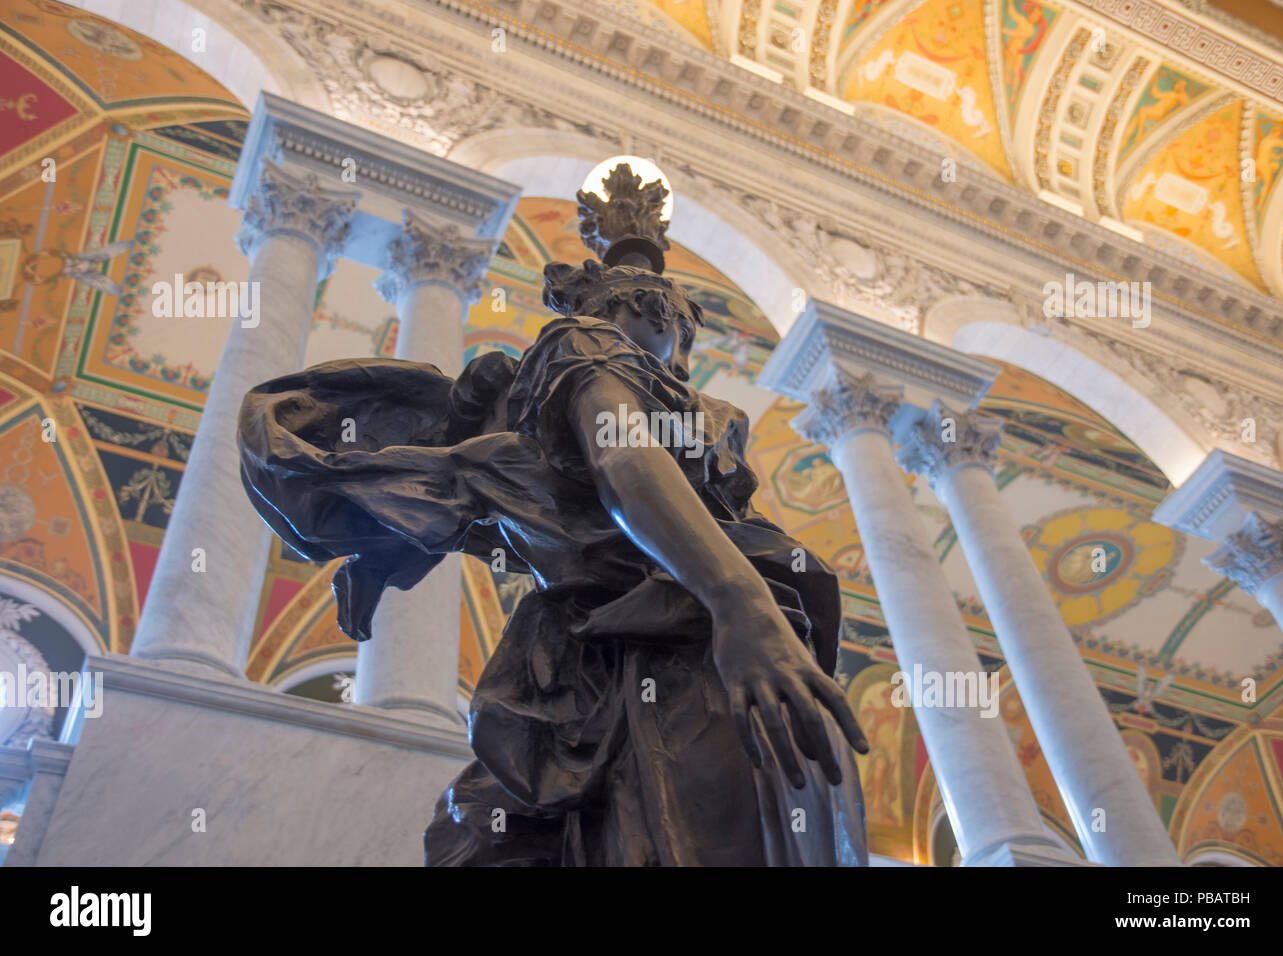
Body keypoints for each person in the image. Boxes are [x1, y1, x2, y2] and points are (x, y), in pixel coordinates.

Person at [238, 258, 870, 865]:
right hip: (678, 644)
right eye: (678, 335)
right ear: (635, 306)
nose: (680, 361)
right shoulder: (586, 342)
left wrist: (392, 546)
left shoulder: (662, 416)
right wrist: (742, 601)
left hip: (667, 645)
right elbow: (621, 462)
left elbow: (509, 487)